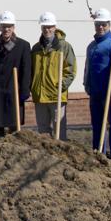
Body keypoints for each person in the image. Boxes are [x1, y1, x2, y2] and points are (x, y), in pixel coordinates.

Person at [83, 8, 111, 158]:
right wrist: (87, 84)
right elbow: (88, 67)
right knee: (97, 125)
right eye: (98, 24)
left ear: (109, 24)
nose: (100, 27)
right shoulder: (92, 46)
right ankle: (98, 152)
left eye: (103, 24)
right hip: (95, 92)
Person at [30, 11, 76, 140]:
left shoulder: (64, 46)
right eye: (44, 27)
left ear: (55, 27)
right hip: (40, 96)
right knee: (43, 133)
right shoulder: (36, 48)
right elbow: (32, 70)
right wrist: (33, 88)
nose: (47, 29)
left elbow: (71, 70)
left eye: (50, 26)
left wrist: (61, 86)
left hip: (56, 96)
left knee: (59, 133)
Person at [0, 11, 32, 139]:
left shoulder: (23, 45)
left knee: (14, 128)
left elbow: (26, 70)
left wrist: (24, 91)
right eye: (4, 26)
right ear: (0, 27)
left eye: (9, 26)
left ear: (13, 27)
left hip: (13, 92)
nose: (6, 29)